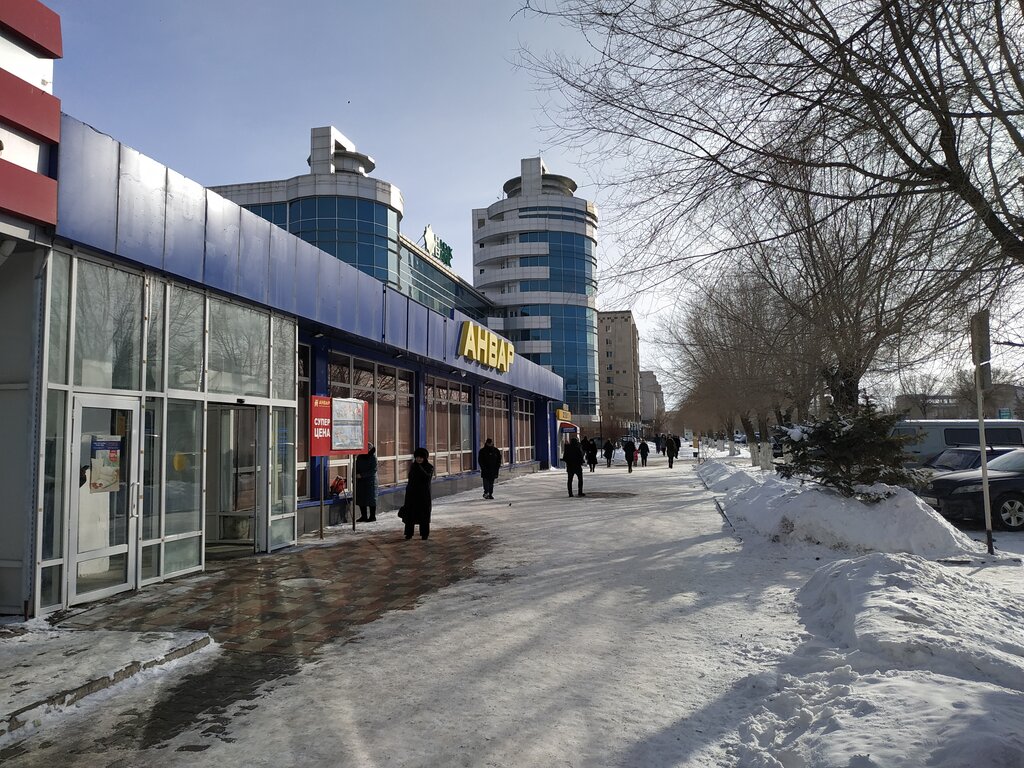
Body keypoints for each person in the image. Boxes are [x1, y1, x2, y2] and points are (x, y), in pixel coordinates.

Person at [402, 447, 434, 540]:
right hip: (412, 494)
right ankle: (408, 533)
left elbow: (427, 478)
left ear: (425, 458)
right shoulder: (413, 466)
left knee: (424, 515)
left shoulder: (429, 467)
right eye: (417, 457)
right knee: (410, 515)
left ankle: (424, 534)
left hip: (423, 495)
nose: (419, 459)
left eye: (421, 457)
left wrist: (419, 468)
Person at [355, 444, 378, 521]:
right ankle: (363, 516)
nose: (366, 450)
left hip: (371, 481)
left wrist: (362, 475)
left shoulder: (373, 458)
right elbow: (355, 467)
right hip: (360, 481)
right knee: (361, 499)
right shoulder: (359, 457)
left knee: (371, 499)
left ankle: (372, 516)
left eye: (368, 448)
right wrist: (356, 476)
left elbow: (373, 470)